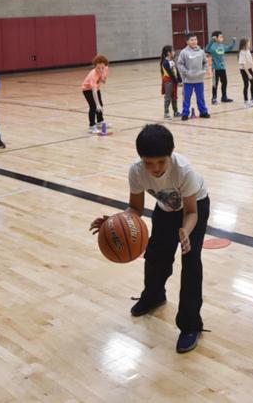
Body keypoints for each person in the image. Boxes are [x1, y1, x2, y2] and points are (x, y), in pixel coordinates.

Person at [90, 124, 210, 353]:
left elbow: (192, 212)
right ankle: (154, 296)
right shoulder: (136, 171)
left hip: (195, 209)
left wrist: (185, 231)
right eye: (149, 163)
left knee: (191, 261)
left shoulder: (184, 171)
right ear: (141, 159)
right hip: (165, 208)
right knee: (155, 254)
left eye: (161, 162)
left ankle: (190, 325)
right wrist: (115, 222)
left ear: (170, 155)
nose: (155, 168)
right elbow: (135, 208)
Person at [176, 35, 210, 120]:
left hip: (199, 80)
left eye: (195, 39)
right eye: (191, 40)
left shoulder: (201, 52)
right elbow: (179, 64)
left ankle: (203, 112)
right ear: (187, 42)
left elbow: (206, 63)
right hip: (188, 81)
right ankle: (185, 113)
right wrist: (186, 72)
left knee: (200, 97)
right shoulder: (184, 52)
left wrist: (203, 71)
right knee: (186, 98)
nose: (194, 41)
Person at [81, 54, 111, 134]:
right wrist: (97, 104)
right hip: (87, 90)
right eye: (98, 68)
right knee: (94, 106)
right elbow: (93, 91)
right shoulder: (93, 75)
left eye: (102, 67)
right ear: (95, 66)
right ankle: (91, 126)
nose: (101, 69)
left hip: (96, 88)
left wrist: (103, 79)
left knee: (101, 104)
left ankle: (100, 121)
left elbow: (103, 80)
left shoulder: (106, 68)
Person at [207, 31, 236, 105]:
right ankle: (214, 98)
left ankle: (224, 97)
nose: (222, 38)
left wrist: (234, 42)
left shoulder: (222, 46)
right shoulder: (212, 46)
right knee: (215, 84)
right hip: (215, 69)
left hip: (222, 68)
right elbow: (207, 49)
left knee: (224, 82)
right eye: (220, 37)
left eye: (222, 36)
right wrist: (211, 41)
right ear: (215, 38)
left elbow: (229, 48)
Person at [159, 45, 180, 121]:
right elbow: (170, 73)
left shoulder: (172, 61)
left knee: (174, 97)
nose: (174, 52)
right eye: (173, 51)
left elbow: (176, 71)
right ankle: (166, 113)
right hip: (168, 81)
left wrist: (179, 79)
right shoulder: (165, 62)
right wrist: (176, 81)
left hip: (173, 80)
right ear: (168, 53)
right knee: (168, 97)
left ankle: (176, 111)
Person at [238, 38, 253, 107]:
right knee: (246, 84)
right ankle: (246, 101)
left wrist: (252, 70)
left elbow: (250, 61)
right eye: (248, 42)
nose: (249, 44)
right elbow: (243, 64)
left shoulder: (248, 51)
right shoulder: (242, 52)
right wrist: (248, 73)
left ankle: (252, 98)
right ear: (244, 44)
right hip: (244, 70)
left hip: (249, 69)